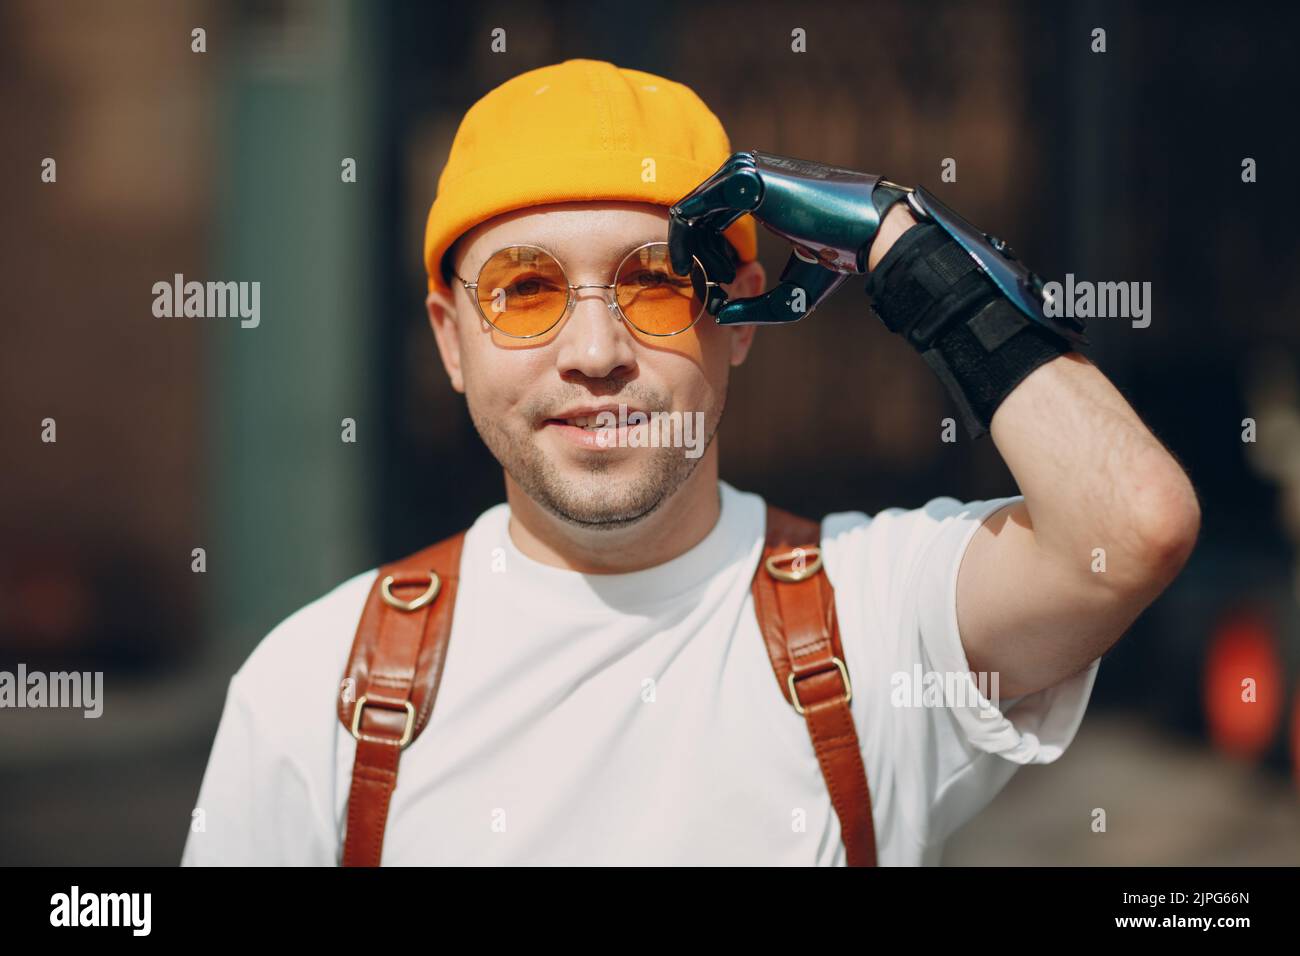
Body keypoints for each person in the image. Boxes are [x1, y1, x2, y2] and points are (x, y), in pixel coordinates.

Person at [182, 58, 1199, 866]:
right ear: (451, 339)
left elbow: (1131, 525)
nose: (592, 353)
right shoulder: (314, 688)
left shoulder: (875, 614)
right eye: (527, 292)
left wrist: (911, 253)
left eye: (658, 284)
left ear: (741, 313)